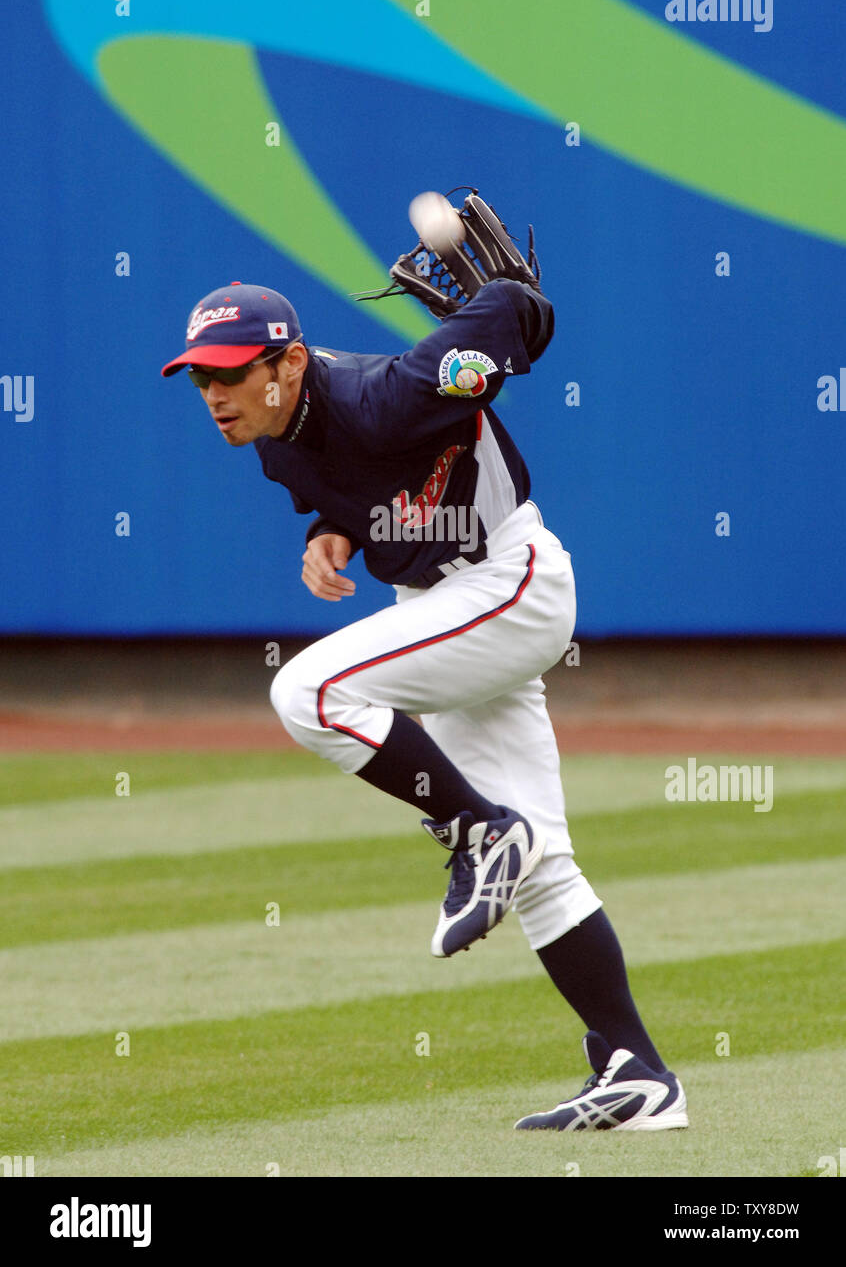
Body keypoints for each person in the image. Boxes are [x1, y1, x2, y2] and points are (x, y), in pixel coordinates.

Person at [161, 278, 688, 1131]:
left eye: (231, 372)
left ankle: (477, 833)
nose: (214, 394)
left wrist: (513, 300)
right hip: (442, 605)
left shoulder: (381, 395)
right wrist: (329, 533)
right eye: (200, 378)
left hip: (506, 581)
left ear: (289, 363)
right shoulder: (271, 433)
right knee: (542, 863)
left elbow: (502, 329)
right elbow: (361, 487)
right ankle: (640, 1074)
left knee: (308, 690)